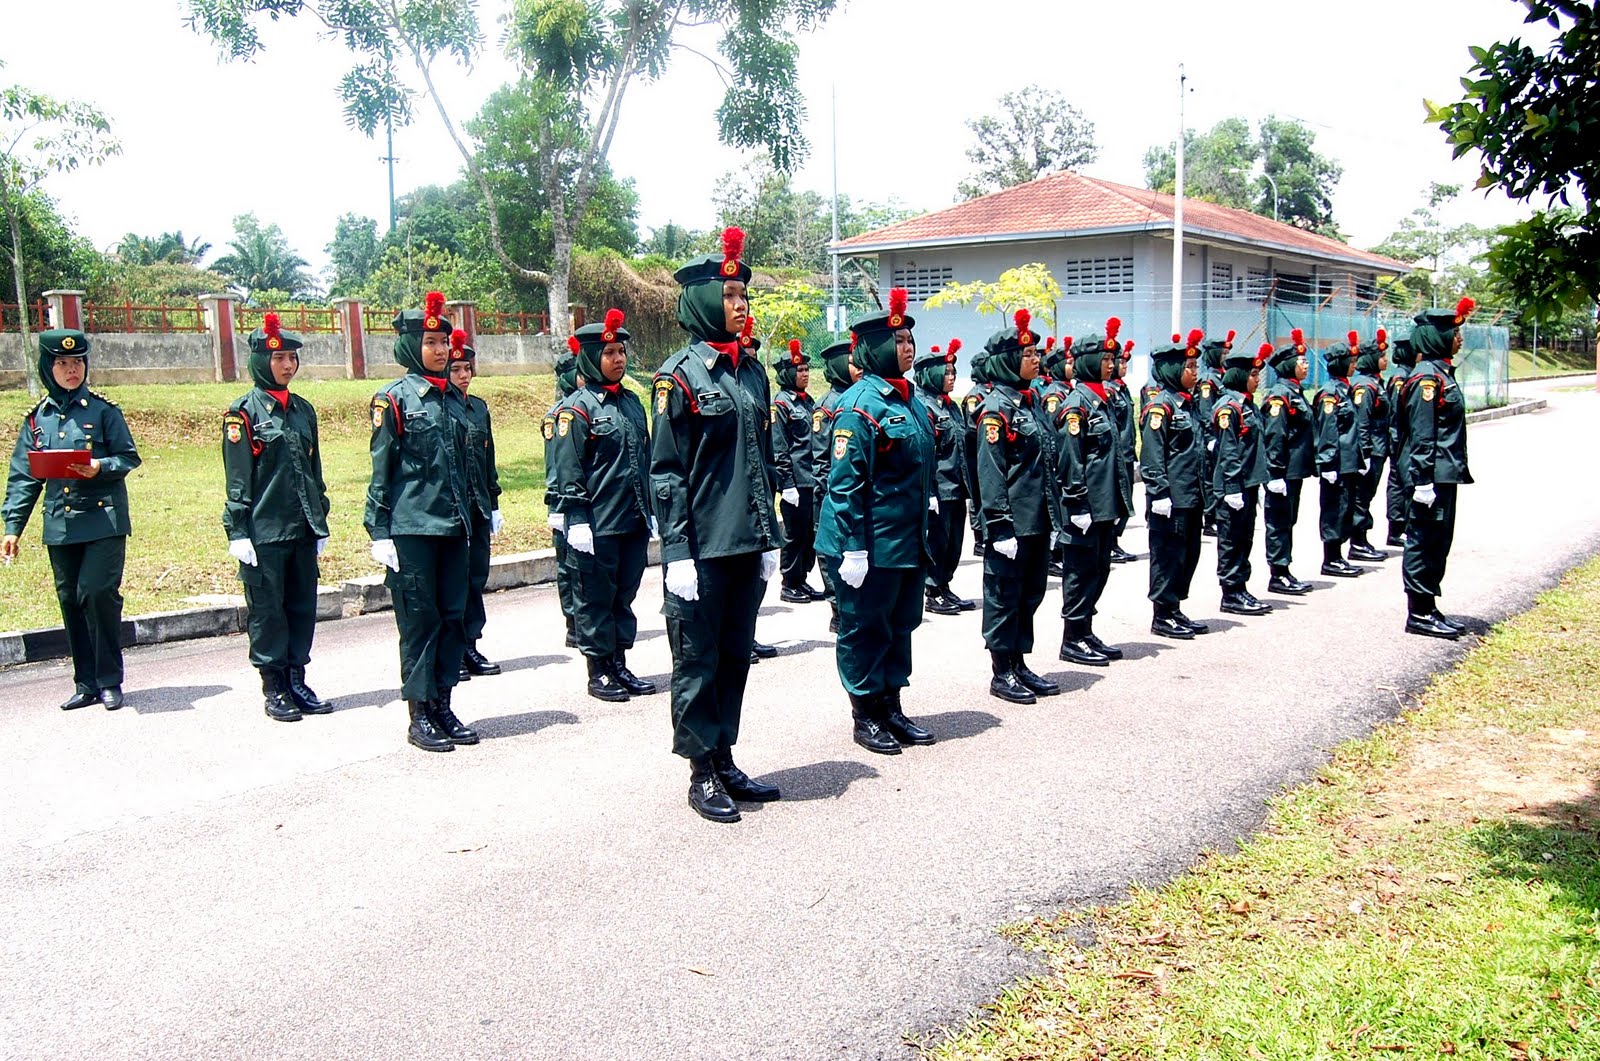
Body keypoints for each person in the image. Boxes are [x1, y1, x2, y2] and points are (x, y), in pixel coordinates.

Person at [651, 227, 784, 823]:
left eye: (744, 296)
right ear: (705, 302)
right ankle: (700, 770)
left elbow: (760, 459)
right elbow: (666, 471)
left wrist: (767, 534)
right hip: (701, 545)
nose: (741, 306)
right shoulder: (677, 378)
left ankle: (725, 753)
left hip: (744, 539)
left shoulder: (752, 372)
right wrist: (675, 550)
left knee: (734, 656)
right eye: (730, 295)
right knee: (697, 661)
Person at [816, 288, 938, 754]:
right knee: (864, 628)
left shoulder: (910, 399)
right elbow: (844, 483)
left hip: (904, 539)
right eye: (898, 340)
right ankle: (866, 713)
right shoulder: (859, 403)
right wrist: (852, 547)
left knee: (900, 623)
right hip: (866, 542)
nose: (907, 347)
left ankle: (891, 705)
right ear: (873, 347)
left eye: (910, 339)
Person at [3, 329, 141, 711]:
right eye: (62, 363)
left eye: (77, 362)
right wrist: (13, 527)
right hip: (60, 525)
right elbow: (23, 476)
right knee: (70, 601)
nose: (71, 370)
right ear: (48, 367)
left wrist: (100, 466)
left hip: (103, 520)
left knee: (97, 594)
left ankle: (110, 680)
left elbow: (128, 457)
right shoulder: (37, 420)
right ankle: (86, 683)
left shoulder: (103, 411)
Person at [365, 292, 478, 753]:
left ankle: (443, 702)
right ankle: (420, 712)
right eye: (430, 342)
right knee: (419, 622)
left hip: (454, 528)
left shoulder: (455, 400)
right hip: (412, 530)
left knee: (453, 619)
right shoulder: (393, 401)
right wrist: (378, 531)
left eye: (443, 342)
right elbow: (381, 468)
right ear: (412, 346)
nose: (440, 350)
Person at [220, 312, 331, 722]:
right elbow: (238, 478)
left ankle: (297, 677)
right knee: (268, 612)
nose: (287, 365)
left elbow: (313, 470)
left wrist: (320, 517)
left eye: (292, 358)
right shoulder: (243, 414)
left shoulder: (303, 410)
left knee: (301, 607)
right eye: (279, 358)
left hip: (301, 526)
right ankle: (274, 686)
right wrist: (237, 529)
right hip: (264, 531)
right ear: (260, 361)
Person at [549, 309, 657, 700]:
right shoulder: (576, 409)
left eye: (621, 352)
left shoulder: (630, 402)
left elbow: (644, 460)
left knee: (623, 596)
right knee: (595, 598)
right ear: (591, 357)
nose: (618, 359)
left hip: (631, 518)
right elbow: (568, 469)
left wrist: (653, 510)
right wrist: (575, 519)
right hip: (596, 523)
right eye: (609, 352)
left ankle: (619, 664)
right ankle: (598, 671)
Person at [975, 309, 1062, 704]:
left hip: (1037, 517)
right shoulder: (996, 410)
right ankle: (1001, 669)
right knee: (1003, 595)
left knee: (1030, 593)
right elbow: (991, 472)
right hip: (1011, 521)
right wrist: (999, 524)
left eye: (1037, 353)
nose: (1036, 359)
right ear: (1008, 359)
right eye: (1027, 354)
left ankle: (1020, 661)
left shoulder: (1031, 402)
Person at [1397, 299, 1476, 640]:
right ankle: (1419, 612)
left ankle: (1430, 604)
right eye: (1455, 333)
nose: (1460, 339)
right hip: (1429, 475)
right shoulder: (1426, 380)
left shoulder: (1441, 374)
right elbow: (1423, 433)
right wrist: (1422, 480)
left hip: (1444, 472)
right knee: (1423, 541)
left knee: (1438, 542)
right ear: (1437, 338)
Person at [1055, 321, 1131, 666]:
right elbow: (1071, 461)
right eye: (1104, 358)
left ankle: (1085, 629)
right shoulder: (1077, 406)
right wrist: (1077, 501)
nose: (1110, 364)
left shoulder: (1106, 398)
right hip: (1084, 506)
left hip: (1104, 504)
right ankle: (1072, 637)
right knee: (1080, 571)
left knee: (1099, 568)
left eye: (1112, 359)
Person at [446, 329, 506, 680]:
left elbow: (488, 459)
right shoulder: (442, 406)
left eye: (467, 368)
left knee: (475, 577)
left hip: (478, 505)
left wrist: (494, 501)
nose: (463, 375)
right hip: (452, 509)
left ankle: (470, 642)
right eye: (456, 369)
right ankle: (453, 649)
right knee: (454, 581)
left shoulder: (478, 408)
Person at [1140, 331, 1208, 640]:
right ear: (1170, 369)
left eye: (1196, 367)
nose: (1194, 373)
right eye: (1188, 367)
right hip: (1171, 498)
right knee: (1167, 556)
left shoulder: (1187, 404)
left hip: (1192, 494)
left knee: (1188, 553)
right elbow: (1153, 455)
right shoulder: (1160, 407)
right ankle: (1162, 613)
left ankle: (1175, 606)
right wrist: (1159, 492)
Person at [1209, 342, 1273, 616]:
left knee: (1244, 537)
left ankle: (1241, 587)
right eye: (1253, 375)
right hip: (1234, 486)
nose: (1257, 380)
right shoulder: (1229, 408)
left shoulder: (1247, 405)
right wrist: (1233, 487)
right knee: (1232, 539)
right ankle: (1231, 592)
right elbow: (1229, 451)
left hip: (1248, 482)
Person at [913, 338, 974, 614]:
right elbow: (925, 454)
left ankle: (944, 586)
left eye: (952, 373)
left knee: (953, 544)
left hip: (956, 488)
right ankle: (932, 590)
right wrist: (929, 492)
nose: (951, 378)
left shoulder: (949, 405)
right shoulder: (923, 407)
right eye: (946, 373)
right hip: (939, 488)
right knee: (937, 543)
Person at [1260, 329, 1316, 595]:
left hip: (1295, 469)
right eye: (1300, 361)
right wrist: (1275, 473)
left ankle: (1285, 568)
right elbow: (1275, 436)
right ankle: (1278, 573)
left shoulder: (1295, 392)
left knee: (1288, 520)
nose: (1305, 364)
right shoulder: (1279, 396)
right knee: (1279, 521)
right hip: (1283, 470)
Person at [772, 339, 824, 605]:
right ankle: (789, 582)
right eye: (799, 370)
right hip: (795, 481)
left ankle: (802, 577)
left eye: (806, 370)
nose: (805, 374)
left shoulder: (807, 401)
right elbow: (779, 447)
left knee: (809, 533)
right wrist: (786, 484)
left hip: (811, 477)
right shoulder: (781, 405)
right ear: (787, 373)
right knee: (794, 534)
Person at [811, 337, 858, 634]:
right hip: (830, 493)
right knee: (831, 554)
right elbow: (821, 460)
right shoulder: (827, 407)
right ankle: (837, 609)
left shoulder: (856, 399)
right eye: (851, 361)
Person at [1313, 332, 1369, 578]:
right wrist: (1327, 463)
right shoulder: (1330, 393)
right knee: (1334, 509)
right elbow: (1328, 430)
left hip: (1348, 462)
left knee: (1345, 508)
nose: (1354, 365)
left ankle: (1340, 555)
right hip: (1335, 463)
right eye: (1350, 361)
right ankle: (1331, 558)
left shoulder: (1346, 389)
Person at [544, 342, 582, 648]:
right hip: (562, 498)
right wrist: (555, 503)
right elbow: (554, 462)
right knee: (566, 565)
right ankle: (572, 620)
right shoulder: (557, 415)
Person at [1348, 329, 1392, 562]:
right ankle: (1357, 541)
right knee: (1361, 495)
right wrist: (1364, 453)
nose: (1386, 360)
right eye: (1382, 356)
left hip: (1379, 447)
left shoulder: (1376, 382)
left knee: (1367, 495)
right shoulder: (1365, 386)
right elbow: (1362, 421)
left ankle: (1362, 539)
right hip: (1371, 449)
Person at [1193, 332, 1231, 537]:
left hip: (1223, 435)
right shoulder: (1208, 380)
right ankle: (1210, 518)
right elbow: (1207, 411)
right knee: (1210, 478)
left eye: (1226, 352)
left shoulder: (1222, 375)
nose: (1225, 356)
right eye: (1222, 352)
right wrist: (1210, 437)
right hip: (1212, 436)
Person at [1106, 340, 1139, 564]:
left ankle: (1114, 541)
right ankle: (1110, 543)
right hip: (1116, 455)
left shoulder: (1122, 388)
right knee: (1116, 502)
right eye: (1121, 361)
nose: (1123, 365)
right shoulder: (1109, 391)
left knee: (1126, 502)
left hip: (1127, 452)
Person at [1383, 337, 1417, 547]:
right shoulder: (1400, 378)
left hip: (1402, 437)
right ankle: (1396, 529)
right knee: (1400, 483)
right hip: (1399, 438)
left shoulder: (1407, 375)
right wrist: (1396, 440)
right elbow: (1396, 411)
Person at [961, 347, 993, 557]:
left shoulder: (989, 392)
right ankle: (979, 537)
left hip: (983, 452)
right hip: (974, 454)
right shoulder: (974, 396)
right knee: (978, 497)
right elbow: (972, 428)